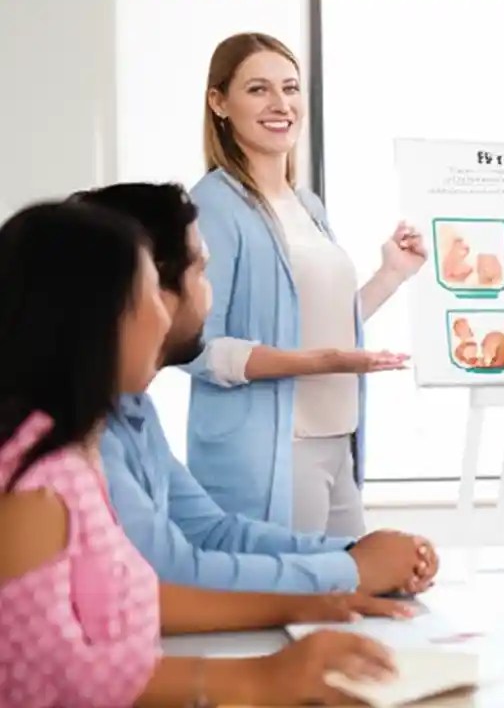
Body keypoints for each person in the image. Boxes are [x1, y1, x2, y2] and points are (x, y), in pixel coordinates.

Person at [0, 201, 413, 707]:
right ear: (94, 318)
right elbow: (48, 683)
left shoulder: (75, 451)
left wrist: (312, 603)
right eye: (149, 292)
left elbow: (141, 598)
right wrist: (258, 680)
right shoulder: (35, 482)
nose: (163, 312)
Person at [73, 182, 436, 594]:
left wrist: (357, 554)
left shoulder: (134, 415)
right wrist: (351, 571)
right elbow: (169, 576)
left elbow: (211, 531)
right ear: (147, 291)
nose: (209, 292)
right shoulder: (83, 437)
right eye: (202, 271)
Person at [185, 32, 426, 534]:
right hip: (271, 454)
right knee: (293, 603)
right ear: (219, 102)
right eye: (258, 90)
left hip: (338, 440)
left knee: (351, 598)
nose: (281, 104)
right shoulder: (214, 205)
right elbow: (199, 348)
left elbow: (316, 320)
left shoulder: (307, 205)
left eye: (290, 88)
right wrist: (323, 362)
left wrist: (391, 275)